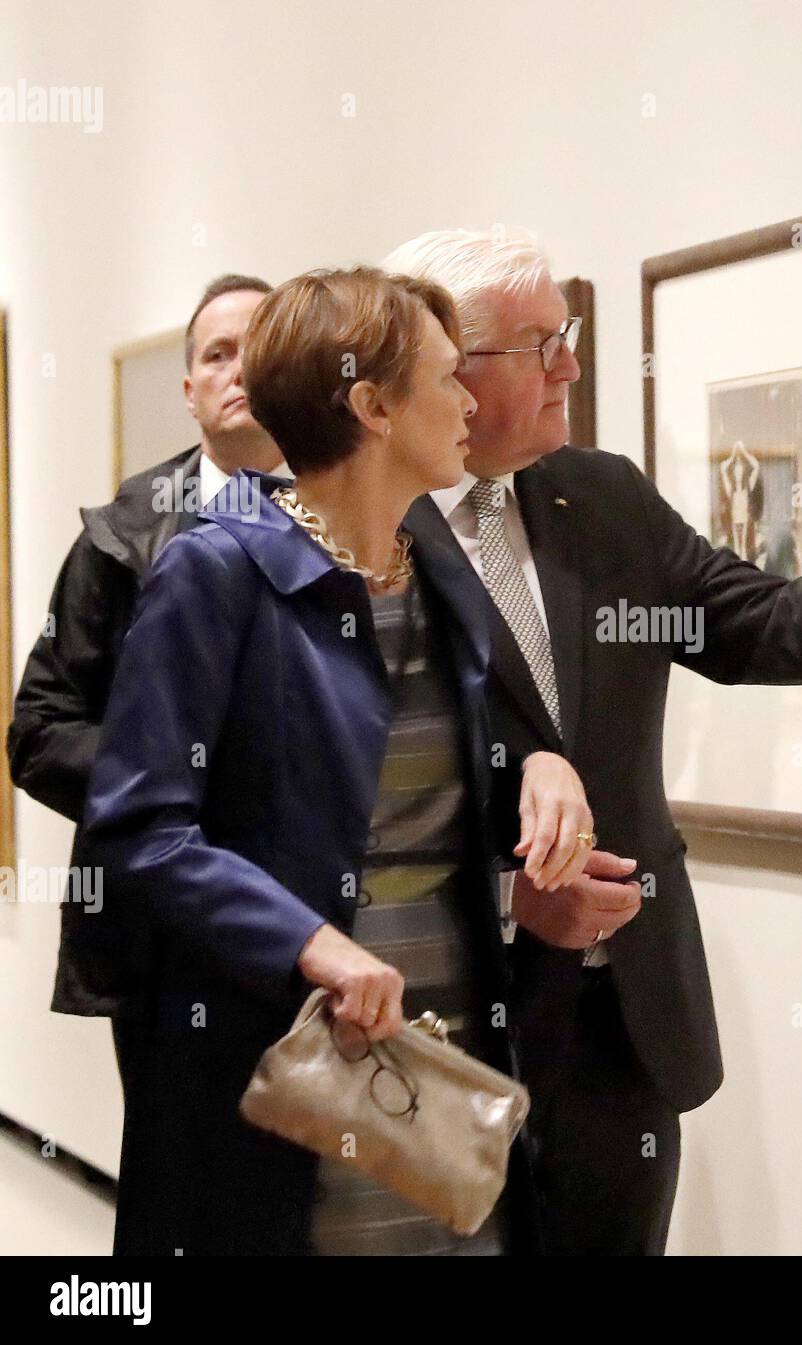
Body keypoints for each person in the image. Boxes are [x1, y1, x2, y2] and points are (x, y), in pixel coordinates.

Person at [382, 227, 802, 1255]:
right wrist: (507, 895)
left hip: (619, 1023)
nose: (571, 365)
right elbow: (347, 809)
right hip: (441, 1023)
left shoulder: (600, 497)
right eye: (539, 345)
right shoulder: (356, 533)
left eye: (570, 335)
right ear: (446, 363)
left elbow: (779, 635)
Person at [73, 266, 593, 1255]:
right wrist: (312, 942)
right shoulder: (217, 570)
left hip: (447, 1054)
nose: (469, 400)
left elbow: (436, 774)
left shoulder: (436, 567)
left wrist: (534, 774)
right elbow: (138, 828)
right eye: (447, 378)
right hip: (290, 1048)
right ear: (371, 406)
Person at [7, 274, 289, 1041]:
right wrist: (183, 775)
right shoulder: (121, 536)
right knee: (183, 1159)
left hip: (328, 916)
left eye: (261, 350)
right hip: (169, 933)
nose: (241, 370)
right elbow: (37, 733)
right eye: (220, 354)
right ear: (191, 388)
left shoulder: (360, 515)